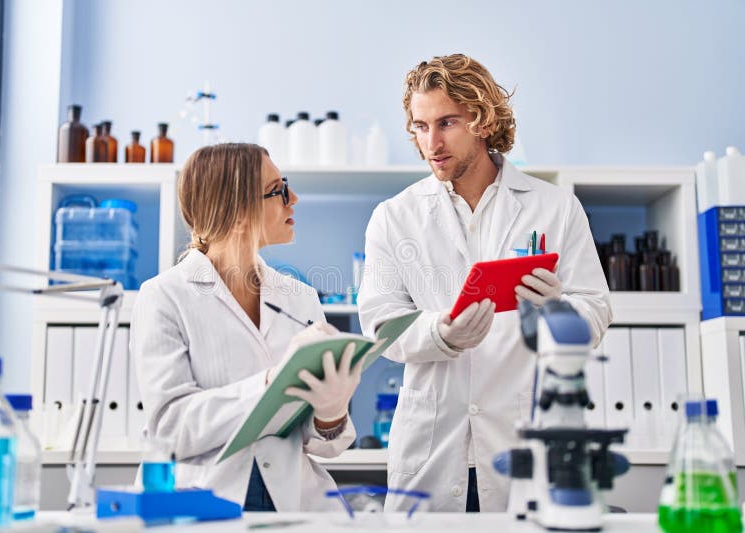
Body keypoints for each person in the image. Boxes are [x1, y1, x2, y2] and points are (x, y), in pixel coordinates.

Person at [357, 54, 612, 512]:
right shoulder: (393, 217)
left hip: (521, 444)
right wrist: (441, 333)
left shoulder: (554, 207)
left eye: (447, 123)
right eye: (420, 126)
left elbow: (595, 311)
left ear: (483, 120)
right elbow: (379, 326)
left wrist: (557, 311)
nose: (431, 143)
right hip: (431, 453)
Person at [130, 143, 362, 511]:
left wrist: (330, 413)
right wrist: (270, 383)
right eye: (277, 190)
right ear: (237, 212)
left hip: (294, 502)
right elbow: (170, 429)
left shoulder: (300, 297)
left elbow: (322, 445)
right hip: (204, 503)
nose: (294, 199)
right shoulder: (164, 296)